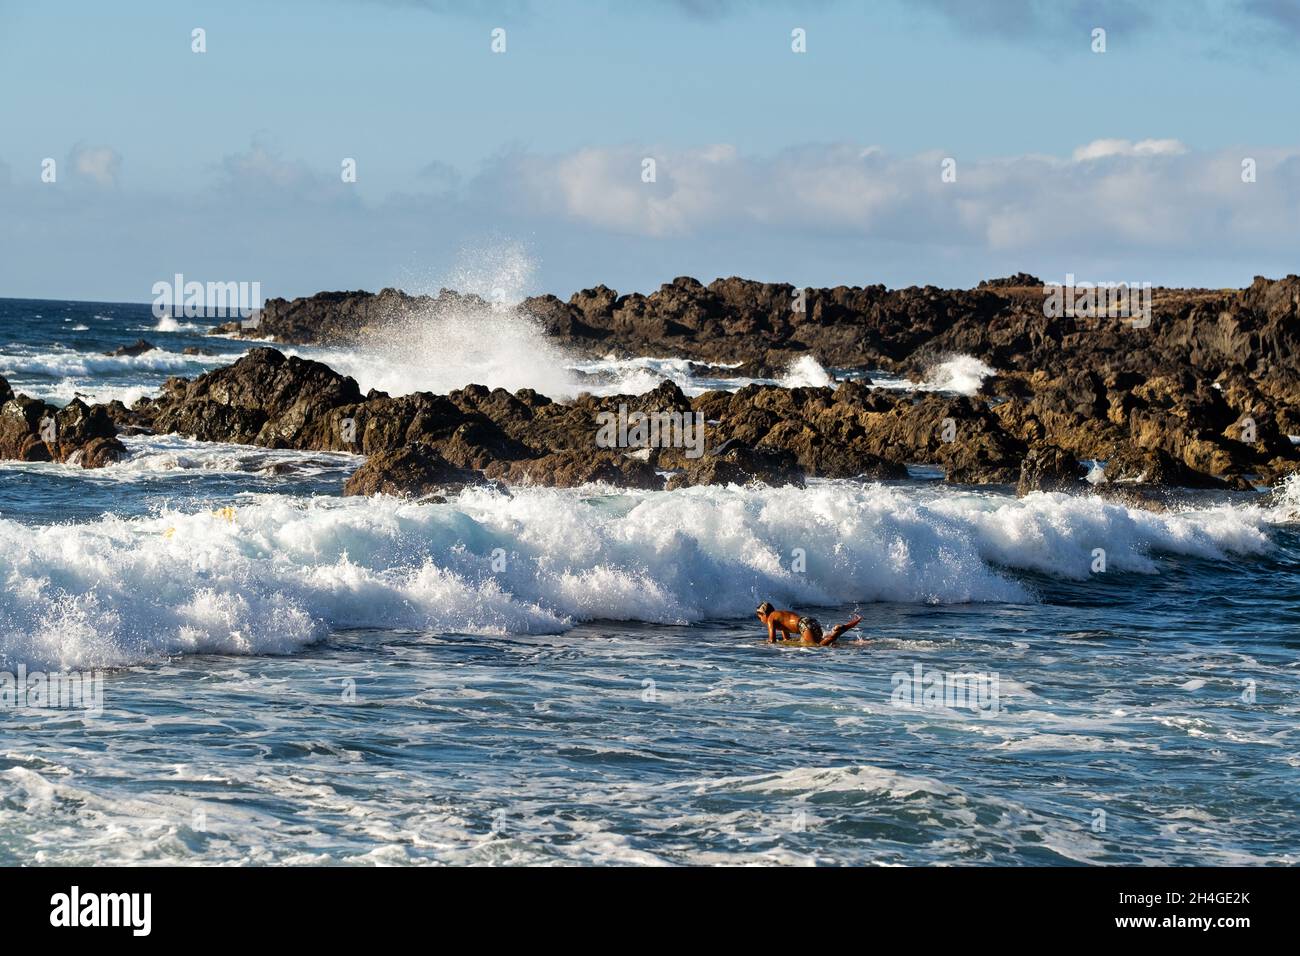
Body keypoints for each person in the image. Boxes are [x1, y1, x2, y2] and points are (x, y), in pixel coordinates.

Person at [755, 602, 862, 646]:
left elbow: (771, 640)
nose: (761, 621)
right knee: (824, 642)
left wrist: (760, 645)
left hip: (804, 625)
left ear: (764, 614)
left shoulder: (771, 618)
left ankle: (837, 632)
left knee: (817, 647)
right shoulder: (780, 616)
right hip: (810, 621)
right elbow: (786, 639)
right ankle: (837, 631)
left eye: (760, 617)